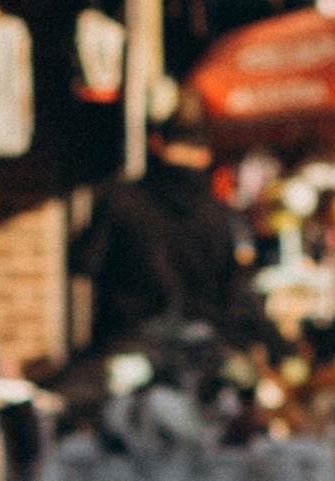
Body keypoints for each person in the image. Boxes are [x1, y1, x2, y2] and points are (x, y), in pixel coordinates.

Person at [82, 125, 248, 350]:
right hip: (199, 343)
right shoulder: (217, 214)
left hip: (129, 338)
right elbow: (232, 285)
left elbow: (85, 261)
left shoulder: (121, 200)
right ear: (204, 158)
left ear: (157, 145)